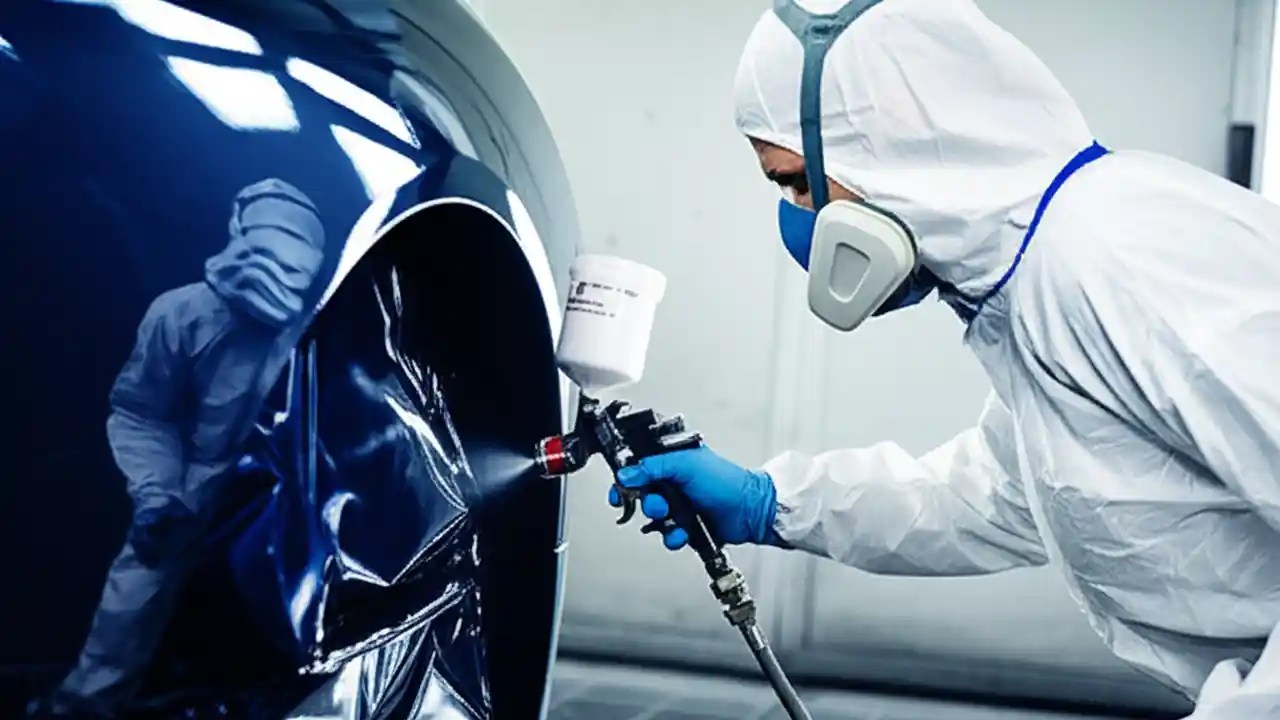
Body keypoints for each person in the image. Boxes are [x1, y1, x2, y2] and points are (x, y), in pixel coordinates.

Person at [611, 1, 1280, 718]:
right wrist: (769, 503)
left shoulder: (1119, 254)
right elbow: (993, 498)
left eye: (796, 183)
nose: (798, 219)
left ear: (886, 143)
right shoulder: (1034, 287)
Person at [36, 178, 327, 719]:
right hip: (181, 499)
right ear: (239, 234)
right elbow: (140, 411)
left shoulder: (308, 337)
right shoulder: (181, 315)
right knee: (128, 614)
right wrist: (156, 489)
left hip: (267, 513)